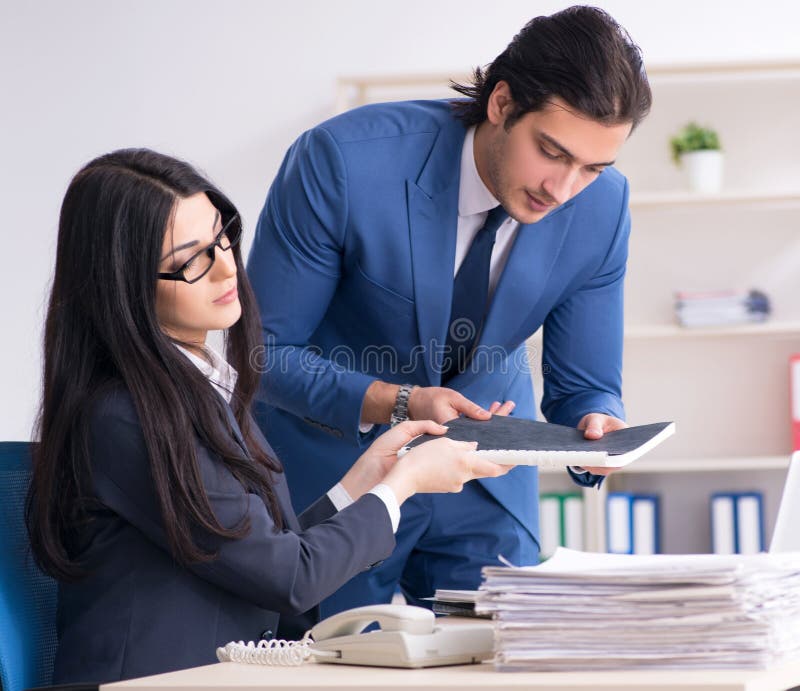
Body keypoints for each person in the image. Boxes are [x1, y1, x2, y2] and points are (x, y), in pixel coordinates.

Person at [25, 149, 511, 685]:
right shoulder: (125, 414)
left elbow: (262, 555)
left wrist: (364, 482)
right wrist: (402, 487)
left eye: (222, 237)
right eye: (193, 260)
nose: (228, 266)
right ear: (123, 285)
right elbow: (289, 579)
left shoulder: (203, 385)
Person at [246, 5, 652, 616]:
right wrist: (398, 399)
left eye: (592, 167)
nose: (563, 189)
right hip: (345, 473)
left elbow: (586, 386)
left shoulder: (602, 209)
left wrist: (599, 426)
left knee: (504, 665)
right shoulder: (343, 163)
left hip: (486, 483)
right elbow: (262, 355)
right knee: (337, 668)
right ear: (501, 103)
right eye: (551, 151)